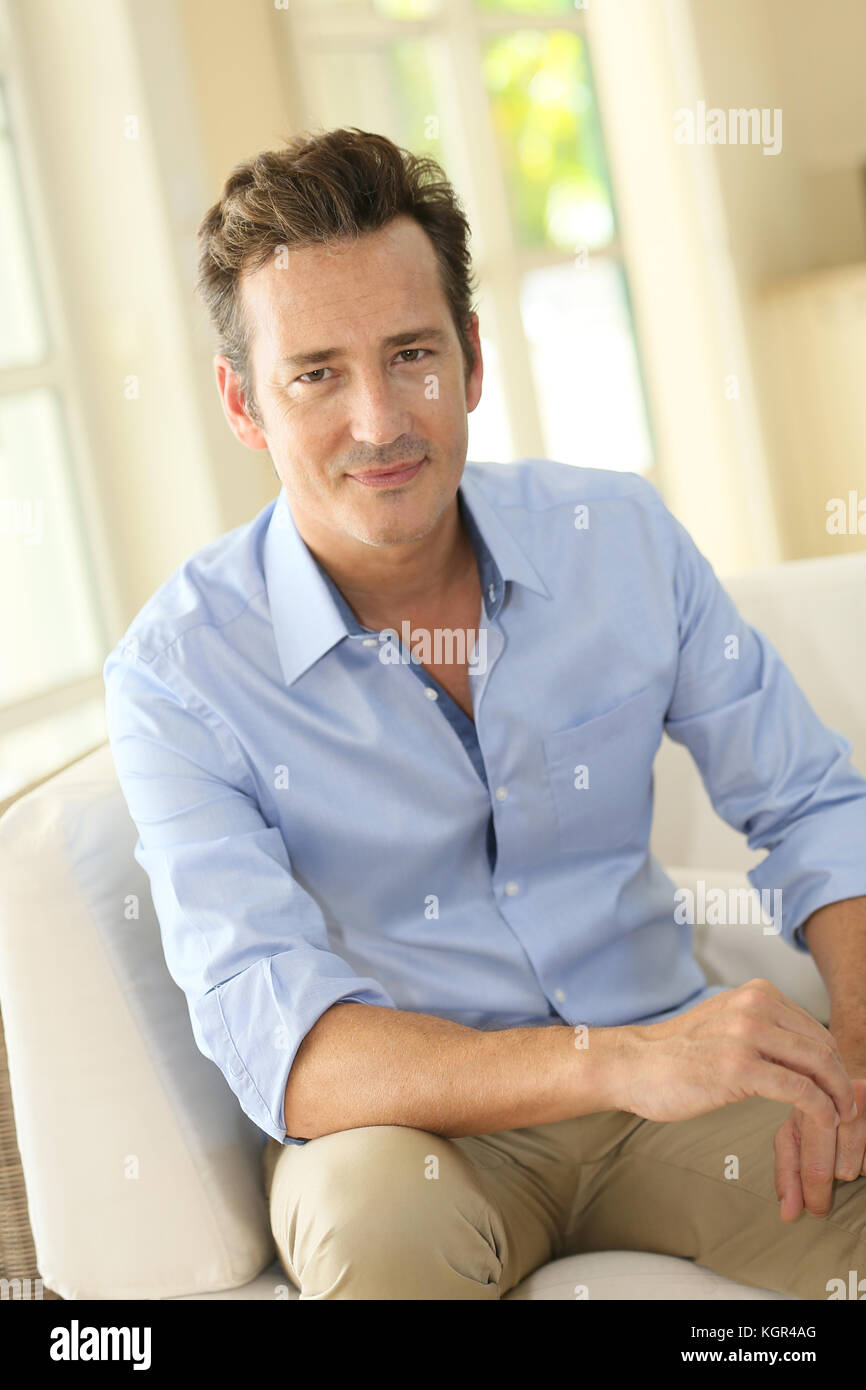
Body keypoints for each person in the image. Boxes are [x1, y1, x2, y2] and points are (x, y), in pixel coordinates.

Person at [103, 128, 866, 1300]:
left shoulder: (617, 539)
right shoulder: (180, 673)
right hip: (413, 1139)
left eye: (410, 353)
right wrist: (621, 1060)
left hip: (667, 1094)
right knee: (367, 1224)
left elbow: (814, 805)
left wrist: (856, 1052)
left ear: (469, 357)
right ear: (243, 404)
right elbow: (291, 1051)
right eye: (315, 373)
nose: (378, 421)